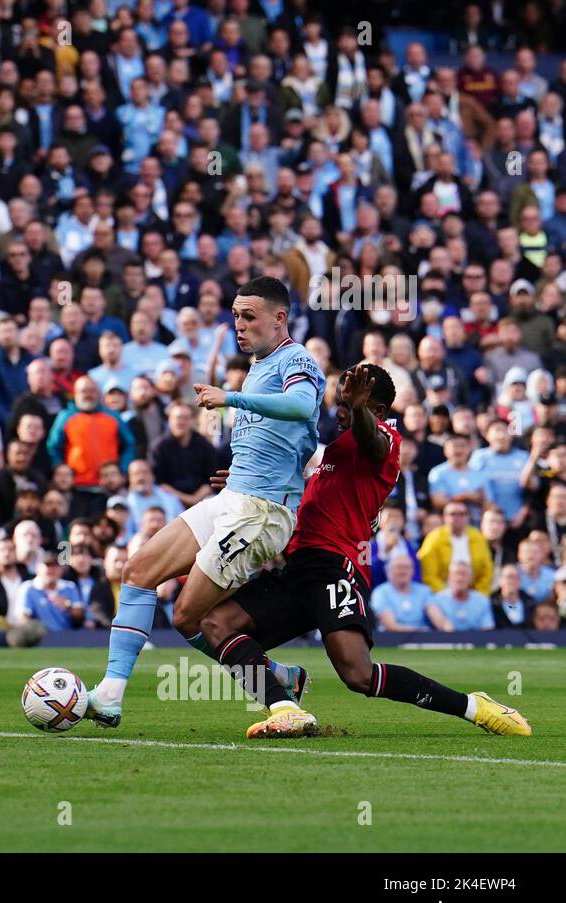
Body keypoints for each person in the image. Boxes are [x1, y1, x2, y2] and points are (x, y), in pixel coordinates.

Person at [198, 365, 528, 737]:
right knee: (215, 623)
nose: (342, 409)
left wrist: (359, 412)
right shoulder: (334, 454)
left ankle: (474, 707)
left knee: (359, 675)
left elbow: (373, 442)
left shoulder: (385, 441)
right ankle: (285, 705)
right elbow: (307, 497)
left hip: (333, 568)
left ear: (380, 412)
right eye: (341, 401)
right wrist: (255, 482)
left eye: (353, 402)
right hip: (298, 568)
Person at [88, 277, 324, 730]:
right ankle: (110, 695)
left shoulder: (297, 359)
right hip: (235, 496)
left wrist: (228, 397)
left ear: (279, 318)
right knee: (137, 571)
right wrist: (241, 471)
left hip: (261, 514)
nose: (239, 325)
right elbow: (284, 442)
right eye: (235, 315)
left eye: (249, 316)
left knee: (189, 616)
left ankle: (279, 699)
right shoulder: (259, 365)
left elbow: (299, 406)